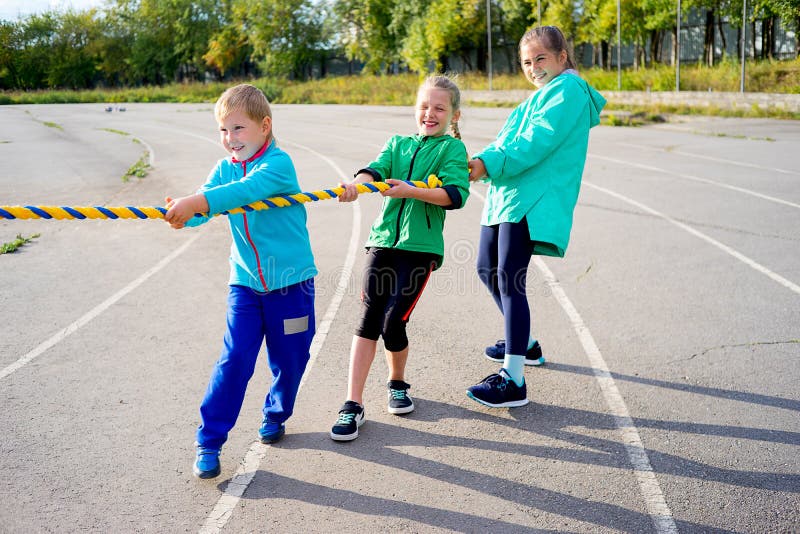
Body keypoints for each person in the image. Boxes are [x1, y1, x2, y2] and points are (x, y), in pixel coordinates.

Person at [164, 84, 317, 478]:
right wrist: (184, 213)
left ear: (265, 126)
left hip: (291, 284)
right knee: (234, 360)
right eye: (223, 131)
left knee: (291, 358)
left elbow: (242, 193)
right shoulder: (223, 168)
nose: (229, 139)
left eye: (238, 129)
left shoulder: (279, 165)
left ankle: (276, 412)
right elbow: (207, 202)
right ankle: (209, 441)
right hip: (246, 285)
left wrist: (197, 203)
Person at [466, 26, 606, 408]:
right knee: (486, 268)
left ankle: (513, 379)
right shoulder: (539, 96)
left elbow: (535, 143)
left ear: (562, 56)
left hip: (532, 200)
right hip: (507, 196)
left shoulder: (568, 91)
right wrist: (475, 160)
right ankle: (524, 344)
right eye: (527, 62)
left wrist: (487, 163)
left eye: (540, 58)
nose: (533, 67)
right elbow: (505, 141)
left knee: (510, 279)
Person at [330, 75, 471, 441]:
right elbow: (374, 169)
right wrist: (356, 184)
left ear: (453, 115)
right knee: (369, 316)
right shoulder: (397, 144)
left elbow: (455, 195)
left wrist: (411, 191)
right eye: (424, 106)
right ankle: (353, 403)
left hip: (420, 249)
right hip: (382, 243)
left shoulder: (452, 150)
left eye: (440, 107)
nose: (430, 113)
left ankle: (397, 382)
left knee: (394, 321)